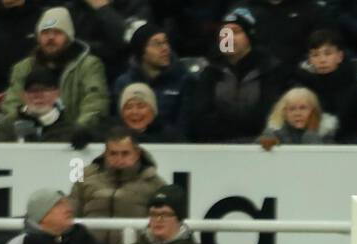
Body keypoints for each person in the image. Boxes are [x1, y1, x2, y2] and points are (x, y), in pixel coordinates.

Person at [0, 6, 109, 140]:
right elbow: (12, 102)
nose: (50, 38)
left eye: (57, 32)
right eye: (45, 33)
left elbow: (95, 101)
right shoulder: (22, 68)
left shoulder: (89, 65)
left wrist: (79, 129)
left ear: (68, 37)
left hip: (73, 137)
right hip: (29, 138)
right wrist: (21, 118)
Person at [188, 8, 287, 144]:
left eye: (235, 32)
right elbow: (200, 117)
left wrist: (225, 121)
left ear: (249, 35)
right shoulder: (211, 71)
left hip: (258, 145)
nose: (228, 38)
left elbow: (267, 115)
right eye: (224, 33)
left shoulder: (270, 69)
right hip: (216, 146)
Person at [67, 128, 167, 244]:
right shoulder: (84, 178)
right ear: (105, 154)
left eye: (125, 153)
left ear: (137, 153)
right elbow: (70, 214)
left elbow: (164, 225)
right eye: (113, 153)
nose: (119, 159)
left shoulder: (154, 183)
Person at [112, 22, 190, 137]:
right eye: (156, 44)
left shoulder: (184, 80)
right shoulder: (124, 83)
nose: (165, 48)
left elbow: (184, 127)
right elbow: (118, 125)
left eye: (165, 42)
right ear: (142, 52)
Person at [293, 28, 357, 143]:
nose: (322, 60)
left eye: (327, 53)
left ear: (340, 56)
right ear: (309, 59)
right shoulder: (301, 88)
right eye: (315, 55)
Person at [257, 87, 328, 147]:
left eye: (303, 108)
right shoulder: (274, 133)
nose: (297, 114)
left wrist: (312, 133)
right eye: (292, 109)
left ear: (313, 110)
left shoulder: (326, 132)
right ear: (284, 113)